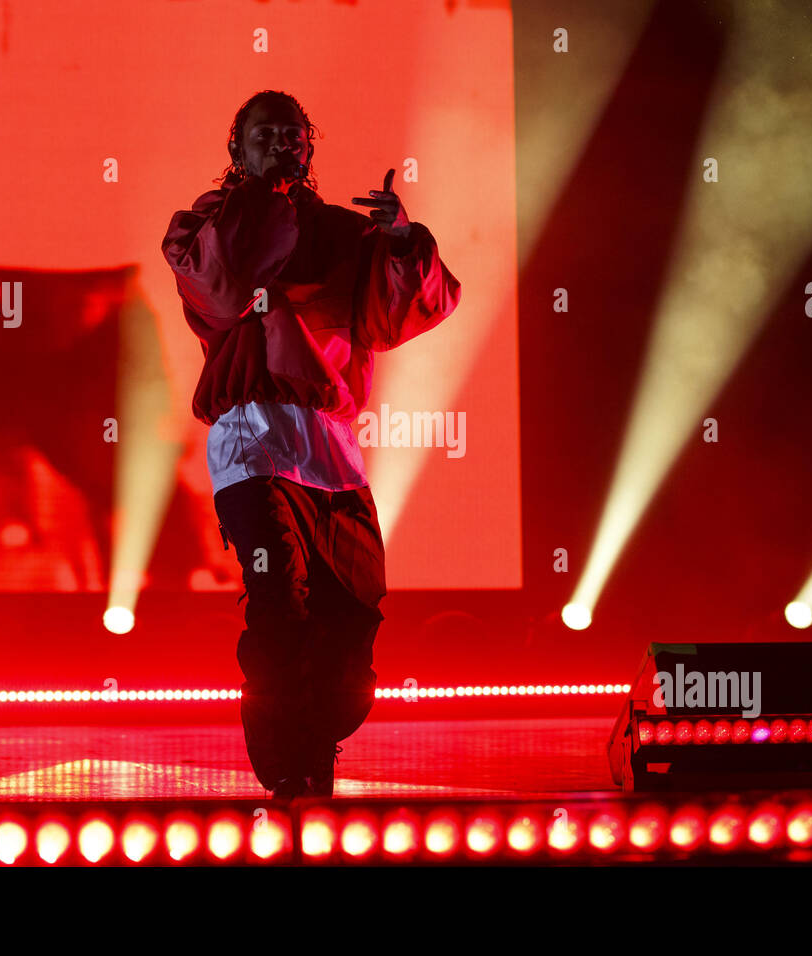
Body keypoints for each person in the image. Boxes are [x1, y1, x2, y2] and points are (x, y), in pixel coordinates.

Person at [161, 90, 462, 798]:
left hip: (330, 447)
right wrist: (263, 195)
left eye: (294, 135)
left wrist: (397, 240)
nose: (283, 144)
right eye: (265, 135)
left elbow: (405, 315)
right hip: (253, 439)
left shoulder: (342, 233)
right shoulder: (204, 227)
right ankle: (287, 770)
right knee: (281, 600)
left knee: (351, 618)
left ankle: (310, 758)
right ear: (237, 148)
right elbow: (229, 286)